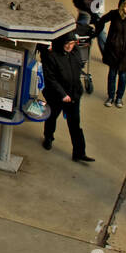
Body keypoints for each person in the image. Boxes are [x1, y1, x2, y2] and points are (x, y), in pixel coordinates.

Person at [40, 33, 93, 162]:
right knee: (52, 117)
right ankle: (48, 137)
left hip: (74, 94)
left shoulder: (75, 52)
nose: (70, 46)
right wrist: (63, 94)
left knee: (75, 124)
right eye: (67, 44)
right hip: (57, 96)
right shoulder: (51, 56)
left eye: (72, 43)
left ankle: (79, 152)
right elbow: (50, 78)